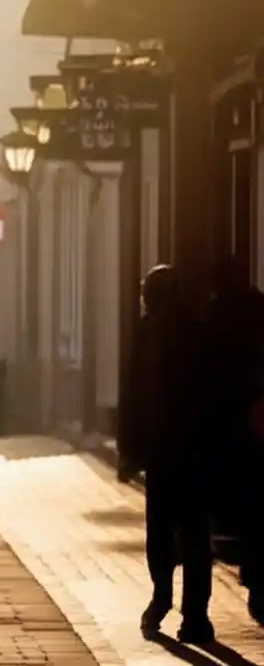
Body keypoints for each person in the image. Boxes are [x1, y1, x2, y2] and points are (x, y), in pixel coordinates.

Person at [119, 264, 215, 643]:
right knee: (195, 535)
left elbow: (133, 395)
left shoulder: (146, 333)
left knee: (159, 532)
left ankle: (160, 599)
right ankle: (197, 617)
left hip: (161, 452)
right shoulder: (199, 330)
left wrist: (130, 450)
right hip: (195, 450)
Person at [203, 255, 264, 624]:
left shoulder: (212, 318)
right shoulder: (260, 310)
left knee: (240, 504)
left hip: (228, 426)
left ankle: (251, 570)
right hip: (255, 419)